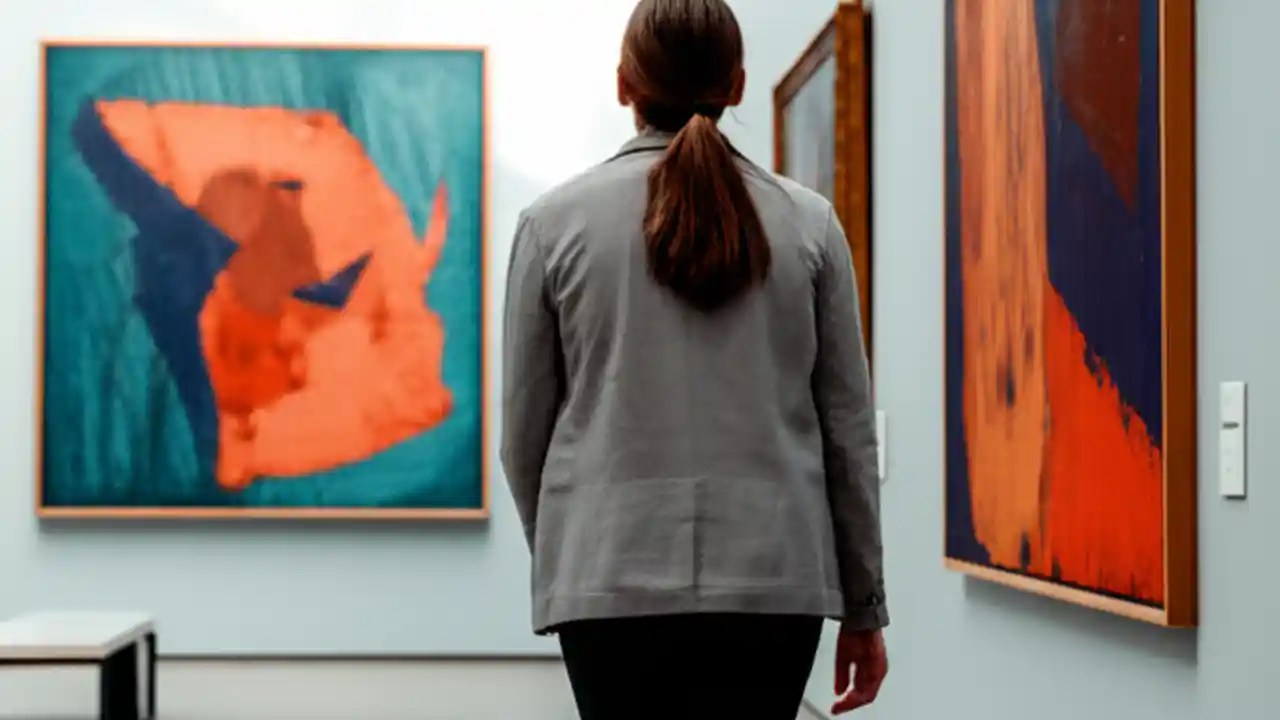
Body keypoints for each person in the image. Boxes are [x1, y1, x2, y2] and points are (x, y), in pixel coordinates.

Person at [501, 0, 888, 716]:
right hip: (776, 580)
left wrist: (570, 555)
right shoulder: (810, 225)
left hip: (607, 579)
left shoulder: (551, 225)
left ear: (625, 83)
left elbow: (523, 441)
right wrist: (864, 605)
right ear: (737, 84)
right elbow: (848, 435)